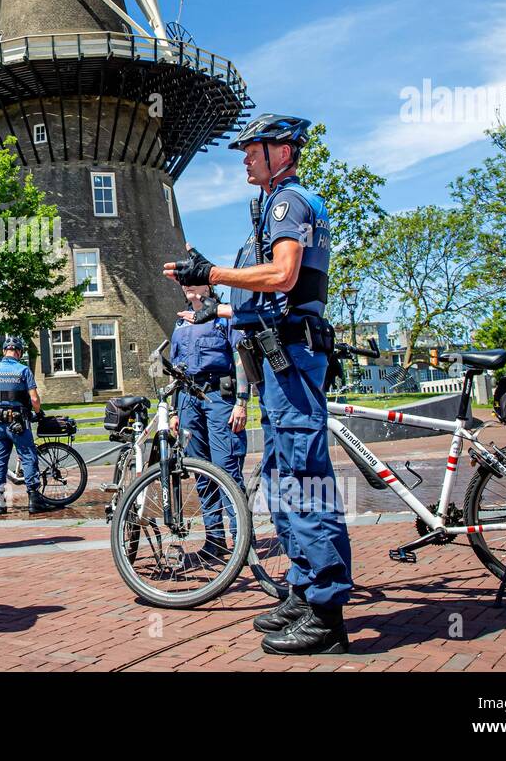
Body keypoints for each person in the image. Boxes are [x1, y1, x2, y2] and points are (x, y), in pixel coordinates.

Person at [163, 113, 352, 656]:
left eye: (253, 148)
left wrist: (215, 273)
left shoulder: (290, 202)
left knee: (302, 472)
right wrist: (207, 293)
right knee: (281, 476)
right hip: (275, 358)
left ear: (282, 152)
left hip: (290, 356)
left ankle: (326, 612)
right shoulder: (273, 205)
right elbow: (262, 293)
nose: (244, 156)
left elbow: (283, 276)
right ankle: (302, 588)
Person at [169, 284, 249, 561]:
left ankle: (242, 542)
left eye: (194, 279)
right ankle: (215, 542)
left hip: (219, 398)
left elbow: (241, 358)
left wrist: (242, 402)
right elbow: (174, 368)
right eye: (184, 281)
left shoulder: (224, 316)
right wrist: (172, 411)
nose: (188, 285)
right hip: (188, 400)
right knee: (201, 473)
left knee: (227, 470)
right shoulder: (180, 323)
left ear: (209, 284)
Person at [0, 335, 47, 515]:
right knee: (28, 457)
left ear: (4, 351)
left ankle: (0, 502)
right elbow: (34, 399)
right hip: (19, 423)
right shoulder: (23, 370)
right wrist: (38, 413)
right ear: (19, 352)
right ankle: (34, 500)